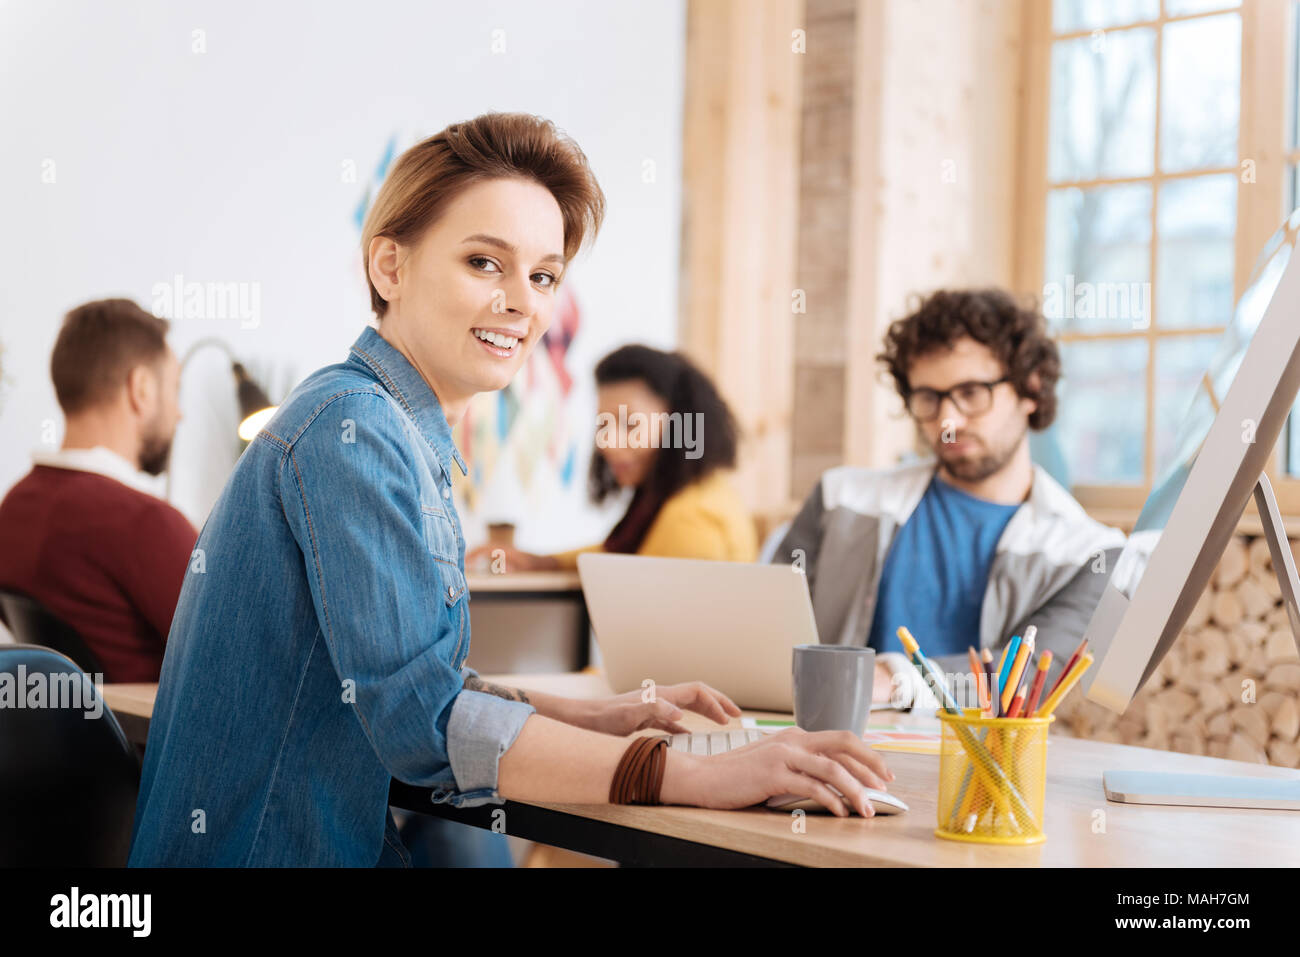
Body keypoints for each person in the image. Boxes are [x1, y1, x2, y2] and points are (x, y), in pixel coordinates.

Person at [128, 112, 893, 868]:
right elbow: (423, 723)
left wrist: (602, 717)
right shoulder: (350, 431)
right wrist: (696, 772)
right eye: (484, 263)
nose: (522, 302)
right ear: (389, 267)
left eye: (543, 275)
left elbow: (415, 682)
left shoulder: (383, 428)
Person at [772, 288, 1126, 709]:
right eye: (929, 397)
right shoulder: (840, 498)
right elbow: (765, 633)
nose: (948, 421)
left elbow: (1024, 683)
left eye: (972, 393)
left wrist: (888, 681)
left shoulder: (1090, 553)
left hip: (975, 765)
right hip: (818, 752)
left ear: (1030, 389)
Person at [0, 299, 196, 682]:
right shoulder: (145, 523)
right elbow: (247, 660)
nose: (180, 412)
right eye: (174, 388)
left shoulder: (14, 507)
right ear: (140, 388)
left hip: (60, 741)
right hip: (150, 742)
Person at [468, 344, 757, 572]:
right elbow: (621, 559)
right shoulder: (684, 497)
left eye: (630, 424)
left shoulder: (691, 520)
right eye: (603, 424)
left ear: (680, 425)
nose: (608, 443)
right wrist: (544, 562)